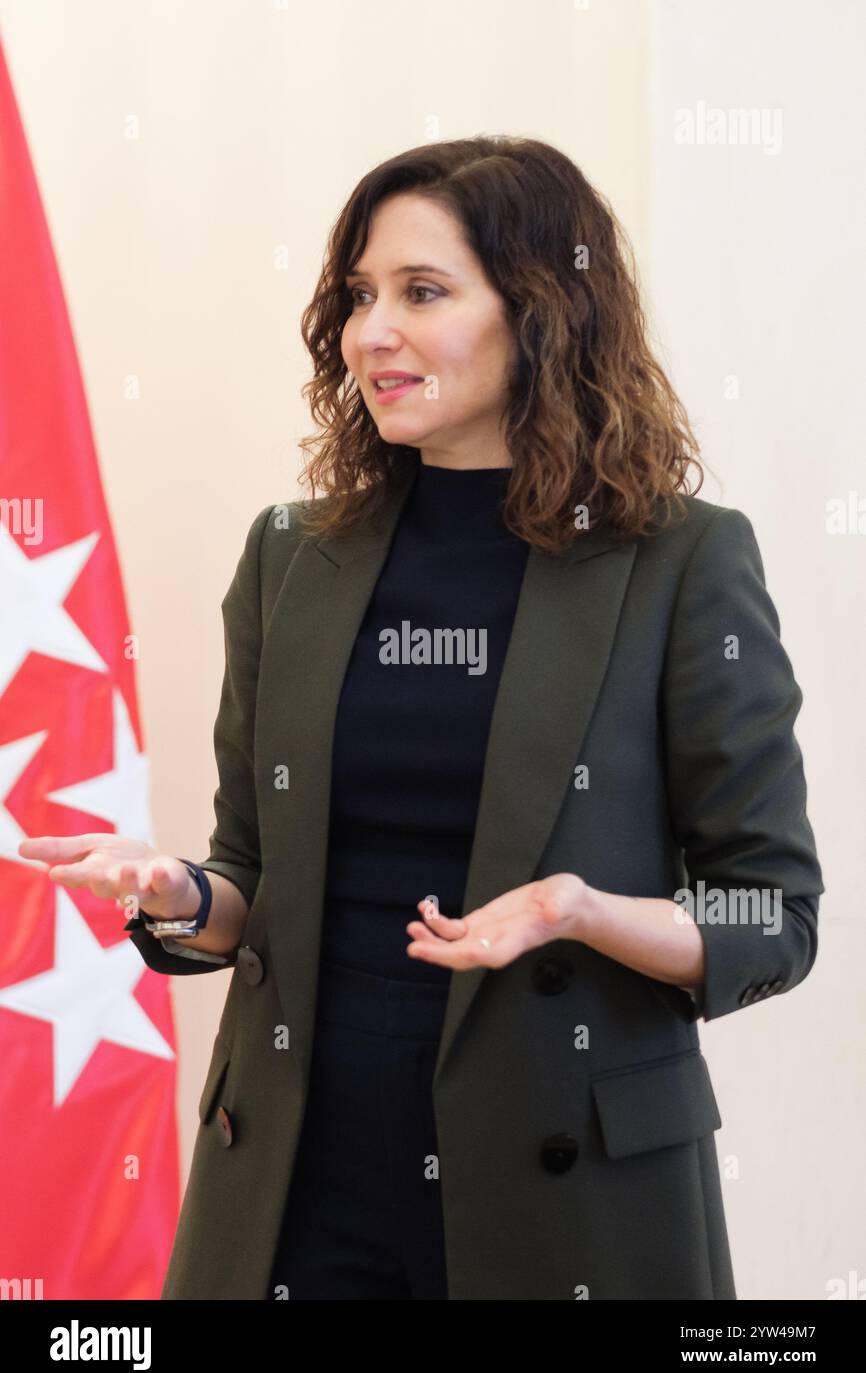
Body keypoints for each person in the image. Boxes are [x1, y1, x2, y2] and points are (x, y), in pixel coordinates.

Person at [19, 135, 824, 1301]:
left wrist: (576, 908)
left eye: (421, 292)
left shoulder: (680, 562)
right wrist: (179, 895)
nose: (369, 333)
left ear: (542, 312)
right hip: (298, 1167)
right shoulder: (290, 554)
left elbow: (772, 912)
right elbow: (249, 881)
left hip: (568, 1188)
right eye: (357, 296)